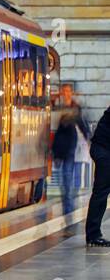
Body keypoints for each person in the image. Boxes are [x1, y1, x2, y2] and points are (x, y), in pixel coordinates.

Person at [52, 83, 90, 216]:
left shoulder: (75, 107)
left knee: (67, 174)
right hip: (59, 144)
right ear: (62, 92)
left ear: (71, 92)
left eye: (68, 91)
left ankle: (68, 206)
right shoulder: (57, 107)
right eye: (64, 91)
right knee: (63, 176)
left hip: (69, 143)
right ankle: (67, 202)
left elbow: (81, 123)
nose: (66, 93)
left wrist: (88, 138)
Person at [85, 105, 110, 247]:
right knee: (101, 192)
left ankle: (93, 234)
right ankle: (93, 235)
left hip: (103, 148)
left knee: (101, 192)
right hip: (103, 150)